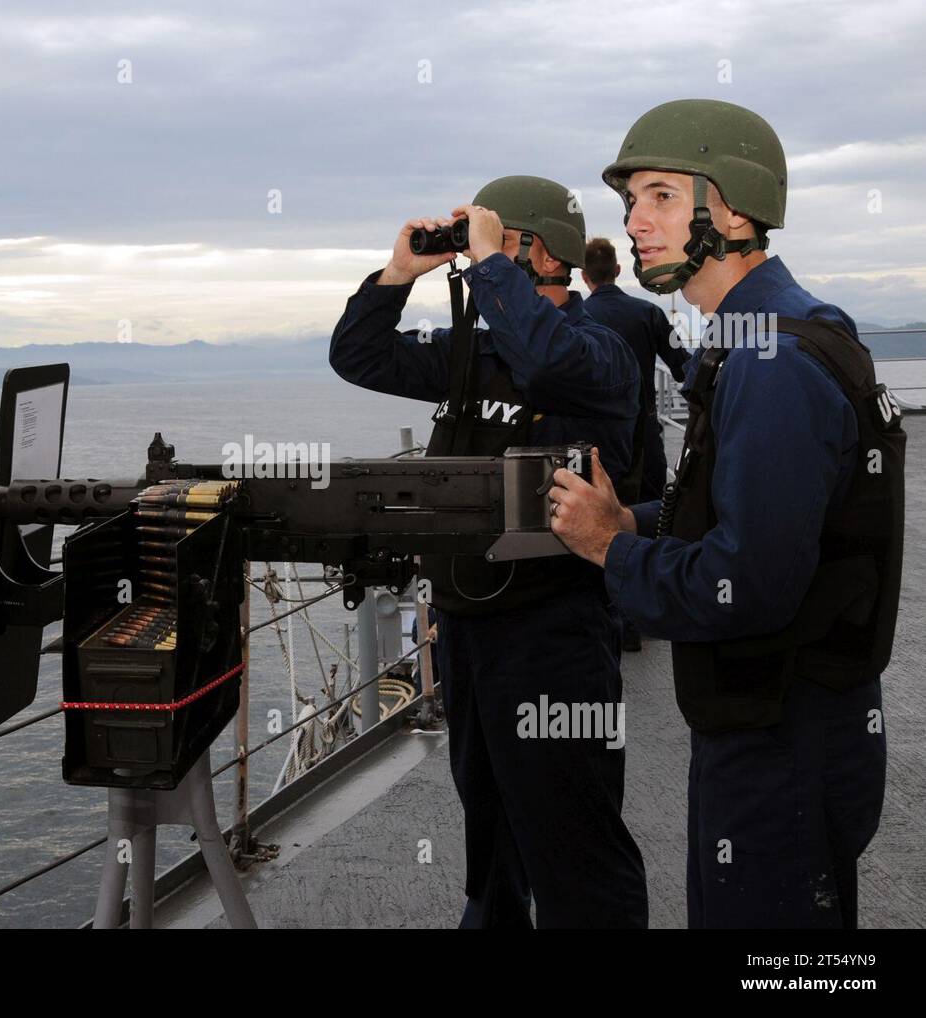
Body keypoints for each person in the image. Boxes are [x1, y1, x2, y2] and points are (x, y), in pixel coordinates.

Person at [546, 99, 904, 928]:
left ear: (732, 210)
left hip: (782, 735)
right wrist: (636, 521)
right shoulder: (771, 332)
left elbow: (751, 583)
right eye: (630, 200)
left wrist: (610, 551)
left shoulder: (771, 363)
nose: (635, 221)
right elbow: (749, 515)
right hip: (785, 716)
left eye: (662, 196)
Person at [329, 175, 648, 928]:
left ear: (533, 251)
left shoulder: (599, 355)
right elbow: (359, 357)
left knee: (575, 842)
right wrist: (398, 275)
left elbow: (544, 362)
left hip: (555, 634)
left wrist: (491, 268)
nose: (473, 257)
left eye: (492, 239)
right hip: (469, 632)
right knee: (492, 825)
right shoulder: (467, 357)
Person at [582, 237, 691, 652]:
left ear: (584, 276)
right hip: (644, 437)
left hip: (596, 442)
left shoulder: (578, 318)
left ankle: (611, 621)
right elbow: (686, 369)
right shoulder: (648, 313)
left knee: (598, 524)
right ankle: (642, 612)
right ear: (618, 271)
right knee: (644, 520)